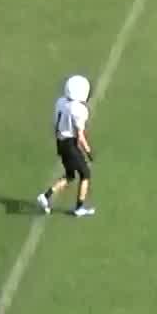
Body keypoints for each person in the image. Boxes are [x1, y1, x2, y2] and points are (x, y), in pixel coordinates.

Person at [35, 74, 94, 216]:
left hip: (61, 142)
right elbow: (80, 135)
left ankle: (46, 196)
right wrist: (88, 151)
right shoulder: (79, 110)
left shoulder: (60, 102)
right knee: (85, 174)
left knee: (70, 175)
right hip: (70, 144)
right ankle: (79, 208)